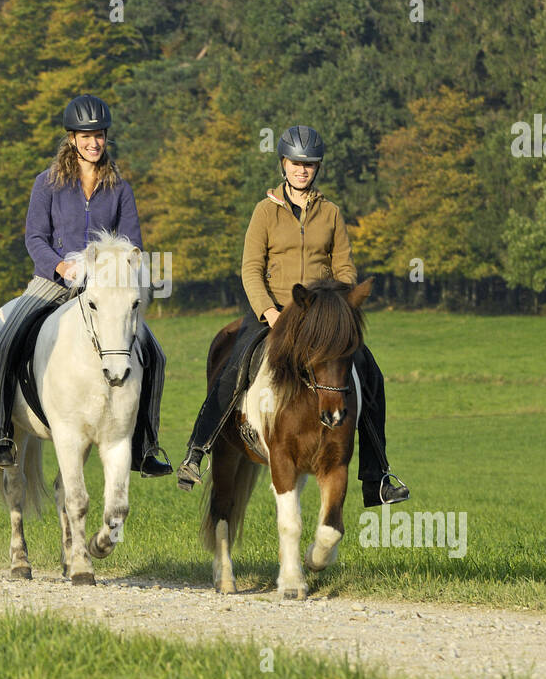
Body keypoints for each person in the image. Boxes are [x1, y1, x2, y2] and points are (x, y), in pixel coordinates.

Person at [174, 124, 411, 506]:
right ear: (283, 164)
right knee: (234, 365)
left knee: (369, 372)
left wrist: (335, 303)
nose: (302, 170)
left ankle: (377, 474)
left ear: (317, 168)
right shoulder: (264, 212)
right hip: (274, 312)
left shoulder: (331, 213)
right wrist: (268, 309)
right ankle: (197, 450)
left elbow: (346, 269)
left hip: (320, 319)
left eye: (309, 164)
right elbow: (251, 268)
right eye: (295, 163)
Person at [0, 94, 172, 476]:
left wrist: (113, 273)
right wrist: (60, 266)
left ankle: (145, 448)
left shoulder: (120, 189)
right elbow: (34, 238)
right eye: (85, 136)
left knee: (156, 356)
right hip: (52, 281)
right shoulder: (46, 184)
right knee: (7, 338)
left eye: (98, 136)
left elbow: (133, 247)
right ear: (71, 138)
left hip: (101, 290)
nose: (93, 143)